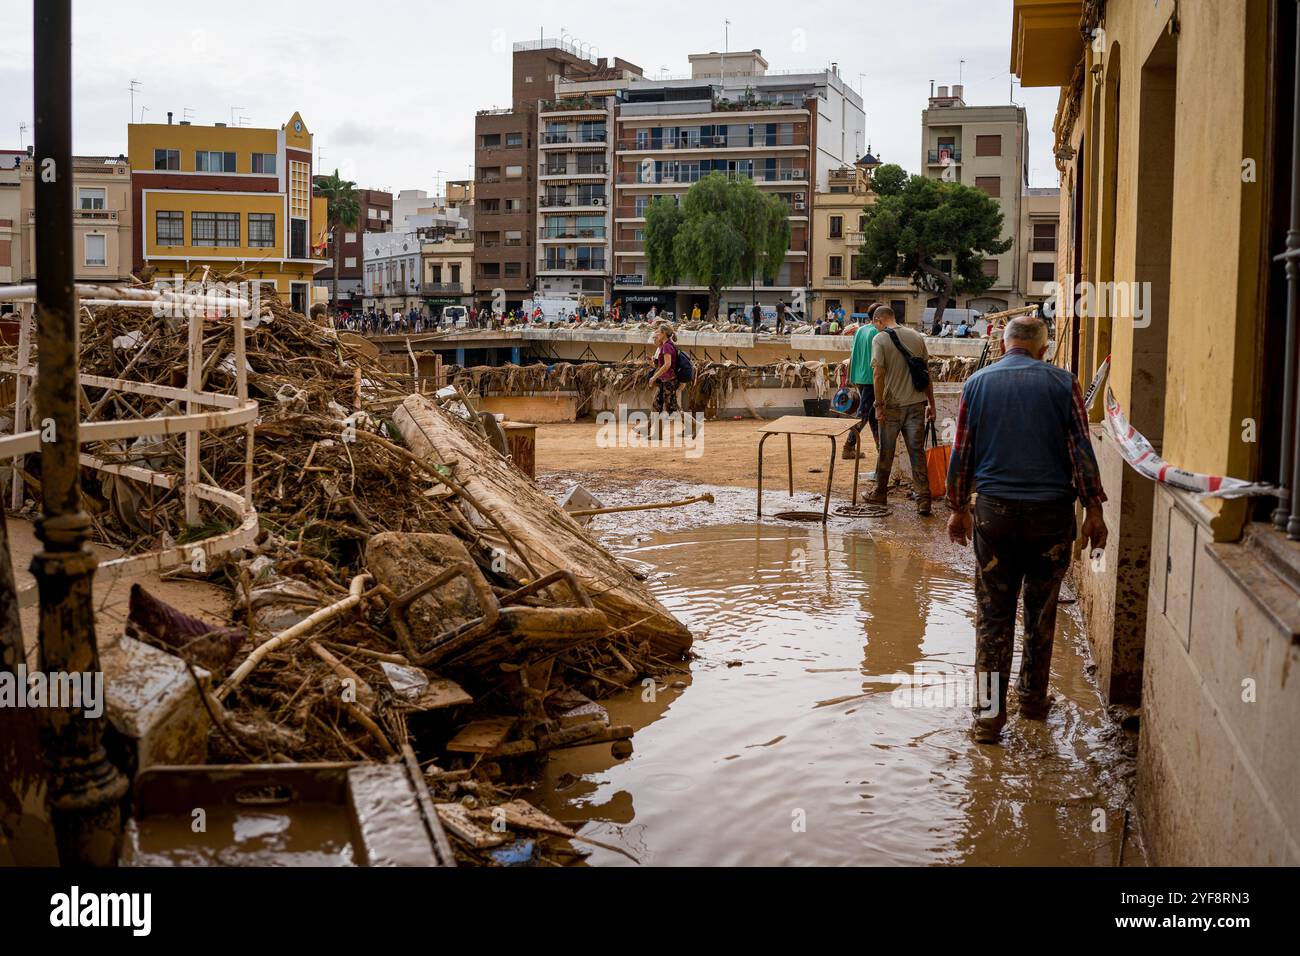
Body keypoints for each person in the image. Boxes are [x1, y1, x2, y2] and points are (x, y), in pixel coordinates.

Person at [946, 316, 1108, 744]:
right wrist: (1094, 510)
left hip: (994, 517)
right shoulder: (1063, 383)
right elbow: (1081, 449)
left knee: (993, 617)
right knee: (1041, 611)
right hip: (1051, 518)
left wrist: (958, 508)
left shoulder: (977, 384)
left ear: (1004, 346)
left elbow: (962, 452)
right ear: (1042, 349)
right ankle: (1033, 701)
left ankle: (987, 719)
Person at [864, 306, 935, 515]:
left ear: (878, 320)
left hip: (892, 404)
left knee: (886, 450)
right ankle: (924, 499)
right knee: (917, 452)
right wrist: (931, 403)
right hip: (916, 404)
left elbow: (878, 373)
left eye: (874, 324)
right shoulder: (916, 336)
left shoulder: (879, 339)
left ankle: (880, 493)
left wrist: (878, 405)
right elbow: (926, 372)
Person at [843, 308, 880, 470]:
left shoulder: (861, 330)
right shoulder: (877, 333)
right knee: (864, 414)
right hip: (871, 378)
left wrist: (851, 376)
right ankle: (848, 446)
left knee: (871, 414)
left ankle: (880, 446)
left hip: (859, 376)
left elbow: (853, 354)